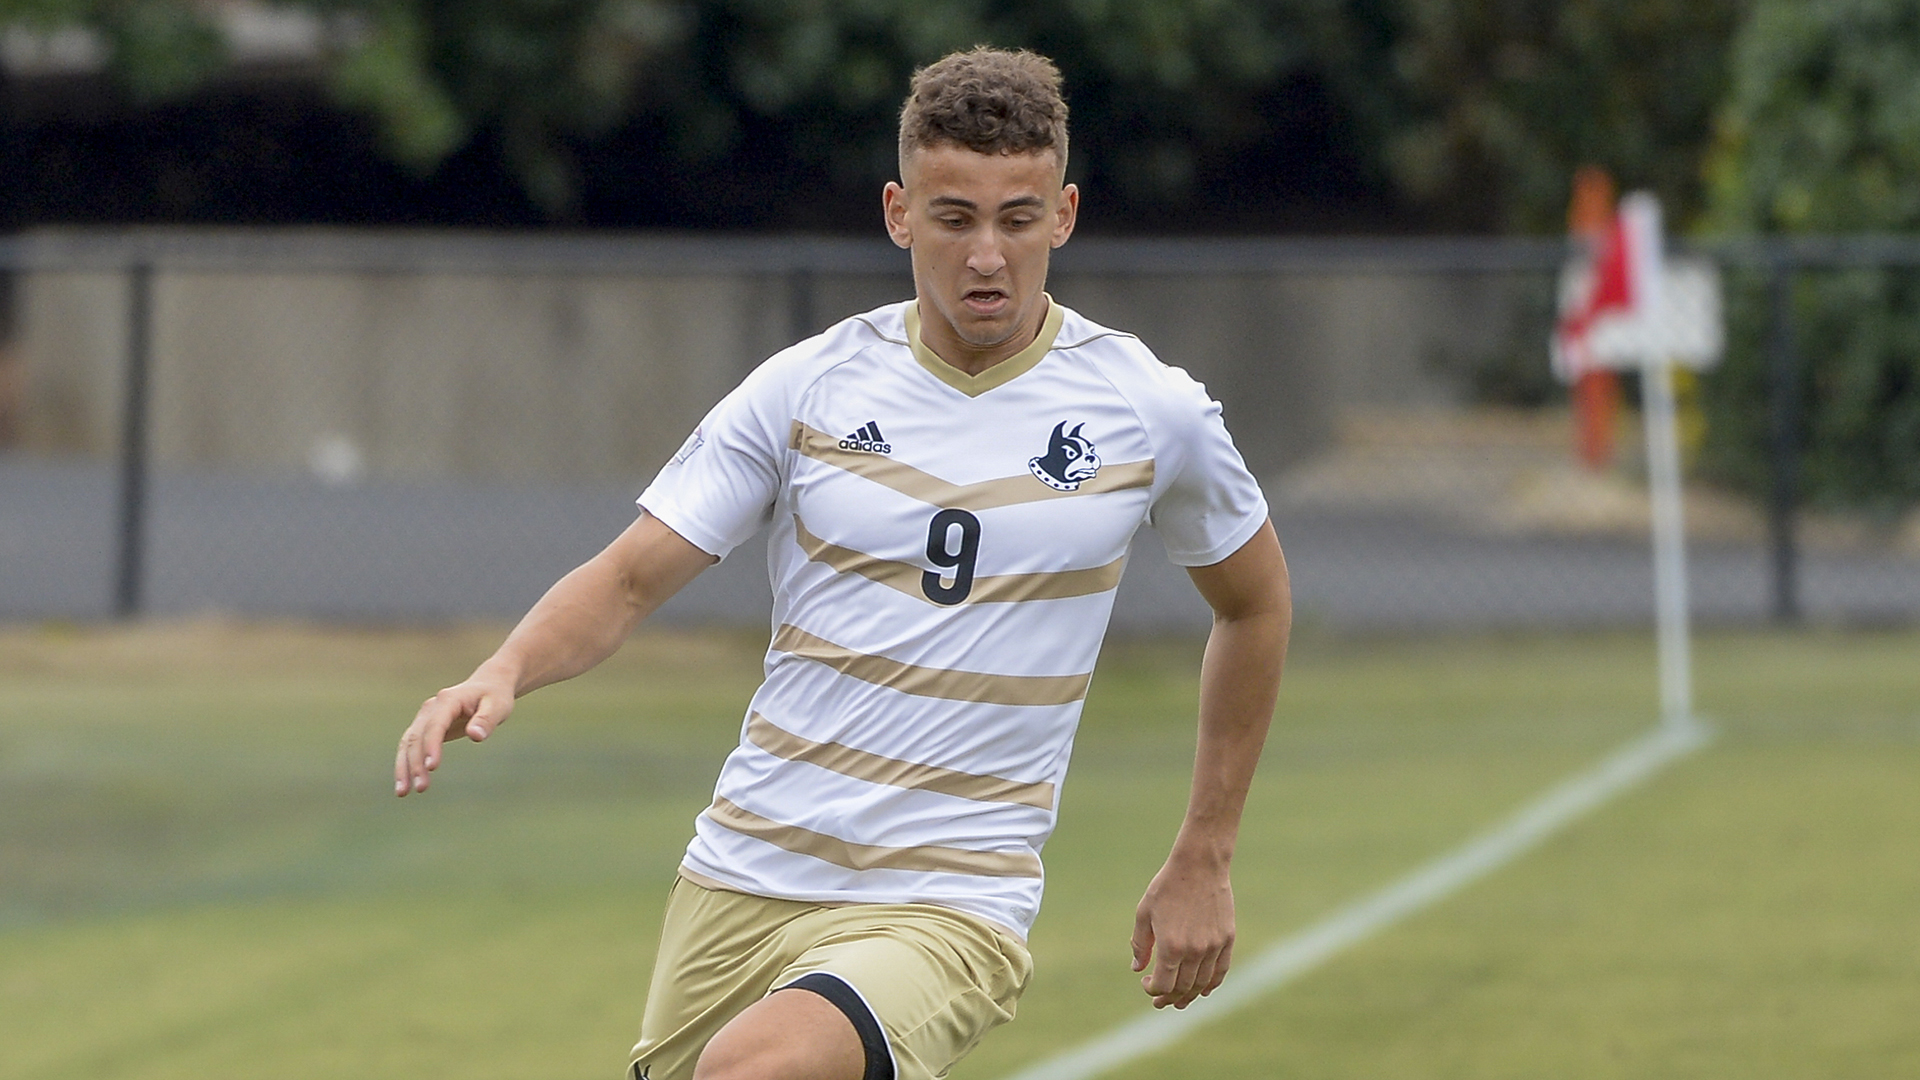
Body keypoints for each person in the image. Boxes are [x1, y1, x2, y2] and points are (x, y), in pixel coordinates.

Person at [394, 45, 1290, 1080]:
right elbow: (632, 576)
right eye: (954, 219)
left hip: (951, 898)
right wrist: (504, 669)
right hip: (745, 868)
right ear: (899, 214)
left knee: (757, 1072)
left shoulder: (1150, 410)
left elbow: (1255, 605)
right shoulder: (809, 387)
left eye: (1018, 219)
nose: (988, 256)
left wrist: (1206, 849)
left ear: (1065, 215)